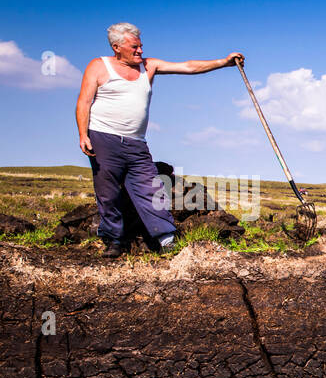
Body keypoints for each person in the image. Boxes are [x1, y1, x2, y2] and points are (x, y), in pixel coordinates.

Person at [75, 23, 243, 257]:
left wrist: (223, 62)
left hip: (136, 142)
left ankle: (166, 238)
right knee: (108, 192)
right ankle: (114, 241)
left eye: (141, 46)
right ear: (117, 47)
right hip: (103, 137)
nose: (140, 51)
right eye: (134, 47)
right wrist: (83, 134)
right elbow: (84, 102)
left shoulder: (148, 66)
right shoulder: (98, 67)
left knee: (151, 188)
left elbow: (188, 67)